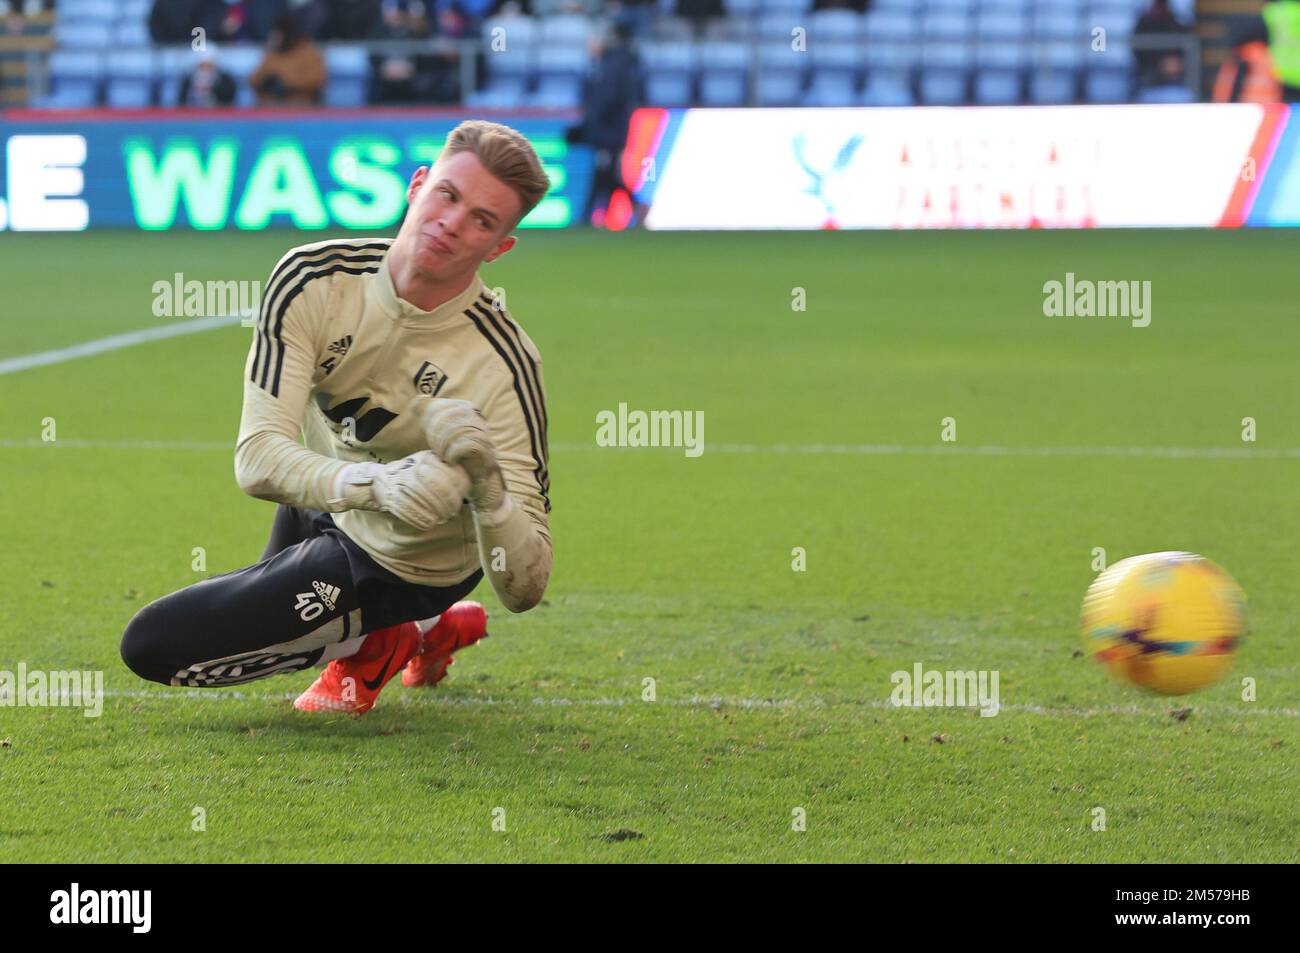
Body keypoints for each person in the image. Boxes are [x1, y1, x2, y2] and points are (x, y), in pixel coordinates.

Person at [120, 120, 554, 716]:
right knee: (209, 625)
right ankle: (413, 634)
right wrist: (380, 485)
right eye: (448, 196)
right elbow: (257, 459)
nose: (453, 223)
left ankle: (394, 630)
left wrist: (489, 489)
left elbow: (526, 586)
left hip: (407, 564)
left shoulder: (505, 365)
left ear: (499, 247)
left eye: (483, 220)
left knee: (154, 645)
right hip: (327, 502)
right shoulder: (312, 281)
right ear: (418, 186)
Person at [570, 21, 643, 226]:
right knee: (606, 174)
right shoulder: (611, 65)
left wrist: (590, 124)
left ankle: (589, 215)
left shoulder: (610, 67)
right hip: (612, 131)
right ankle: (596, 214)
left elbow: (606, 102)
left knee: (605, 173)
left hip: (609, 132)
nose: (590, 45)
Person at [249, 15, 327, 105]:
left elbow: (317, 80)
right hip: (270, 108)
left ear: (287, 34)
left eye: (276, 35)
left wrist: (286, 84)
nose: (273, 38)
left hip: (300, 108)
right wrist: (265, 81)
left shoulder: (309, 53)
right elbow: (253, 80)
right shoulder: (271, 53)